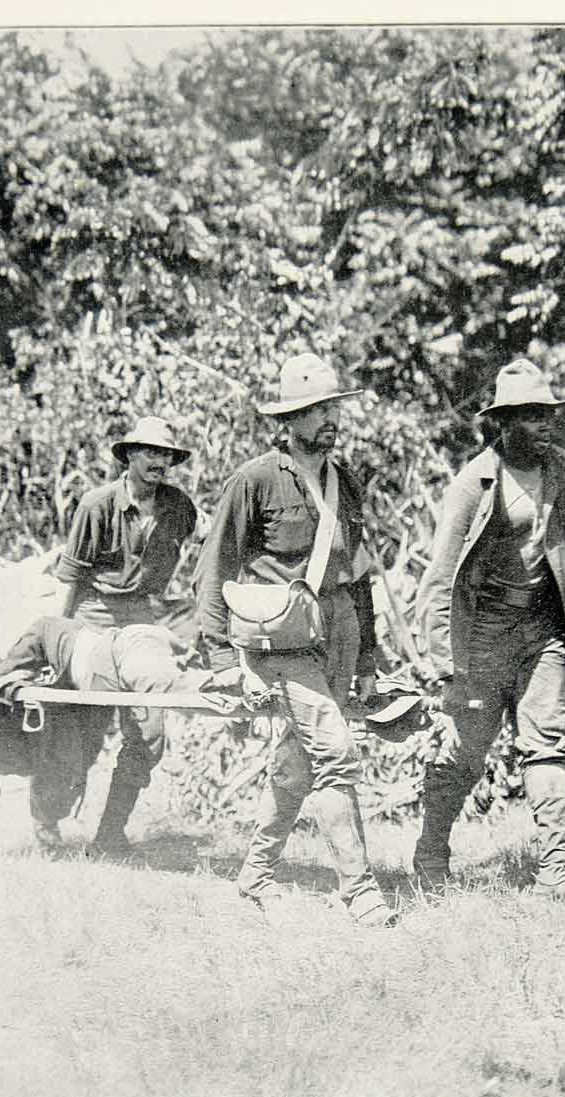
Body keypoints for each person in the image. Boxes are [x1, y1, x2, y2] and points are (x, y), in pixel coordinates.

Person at [195, 353, 396, 928]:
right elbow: (213, 569)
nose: (329, 419)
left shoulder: (346, 482)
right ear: (288, 420)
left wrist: (366, 658)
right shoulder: (256, 480)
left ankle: (255, 874)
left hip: (338, 632)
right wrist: (220, 660)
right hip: (279, 642)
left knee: (298, 762)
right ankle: (360, 891)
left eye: (333, 407)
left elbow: (357, 577)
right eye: (315, 410)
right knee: (336, 754)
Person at [412, 359, 565, 902]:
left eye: (548, 414)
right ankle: (430, 853)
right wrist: (443, 665)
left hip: (542, 629)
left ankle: (558, 869)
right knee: (465, 754)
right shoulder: (472, 484)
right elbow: (439, 580)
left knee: (549, 742)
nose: (544, 425)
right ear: (503, 422)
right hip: (482, 637)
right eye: (530, 416)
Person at [46, 416, 199, 855]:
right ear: (129, 456)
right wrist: (58, 642)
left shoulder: (179, 507)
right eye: (149, 452)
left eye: (165, 455)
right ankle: (47, 819)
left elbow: (210, 544)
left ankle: (110, 832)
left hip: (144, 624)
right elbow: (69, 578)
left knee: (149, 732)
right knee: (85, 733)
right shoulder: (97, 505)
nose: (158, 462)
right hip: (93, 618)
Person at [0, 615, 212, 857]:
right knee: (68, 756)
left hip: (120, 659)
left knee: (145, 745)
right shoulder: (45, 630)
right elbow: (1, 675)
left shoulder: (153, 644)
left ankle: (109, 836)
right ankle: (48, 836)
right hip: (94, 669)